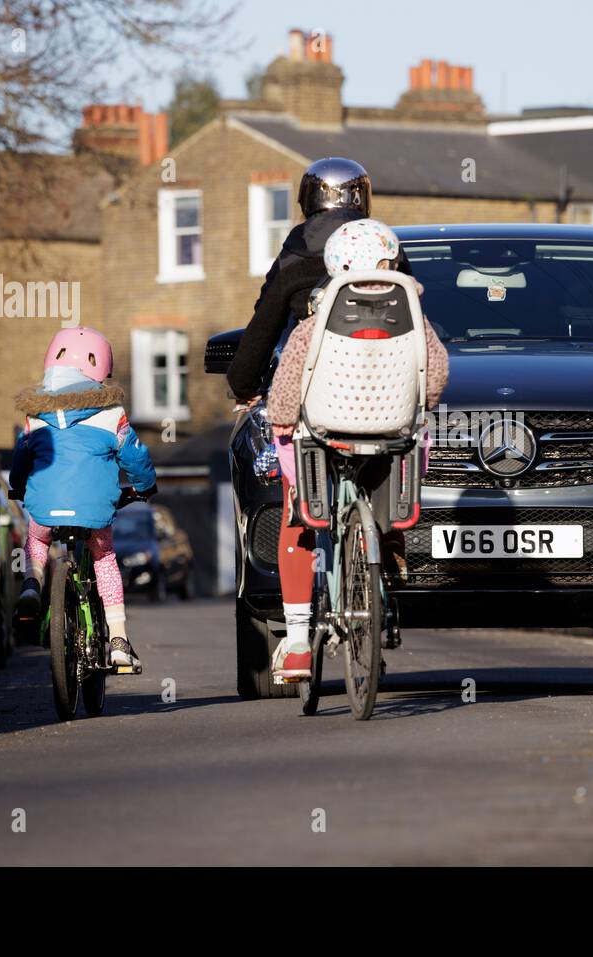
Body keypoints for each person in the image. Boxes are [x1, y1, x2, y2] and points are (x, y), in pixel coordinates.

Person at [266, 218, 448, 683]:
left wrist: (280, 418)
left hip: (328, 432)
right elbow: (437, 371)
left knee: (300, 512)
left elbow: (290, 376)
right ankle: (387, 542)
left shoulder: (319, 318)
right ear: (391, 262)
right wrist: (420, 403)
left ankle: (301, 642)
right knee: (408, 443)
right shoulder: (412, 314)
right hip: (391, 432)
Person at [9, 327, 158, 669]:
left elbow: (21, 459)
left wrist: (17, 487)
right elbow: (134, 456)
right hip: (94, 510)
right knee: (103, 557)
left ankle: (32, 583)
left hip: (45, 507)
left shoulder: (34, 417)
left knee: (37, 537)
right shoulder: (111, 414)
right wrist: (144, 486)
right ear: (99, 369)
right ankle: (119, 641)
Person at [225, 157, 411, 403]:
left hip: (319, 398)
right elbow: (415, 318)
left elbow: (264, 326)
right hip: (392, 389)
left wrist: (243, 385)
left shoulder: (293, 257)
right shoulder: (386, 248)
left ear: (308, 198)